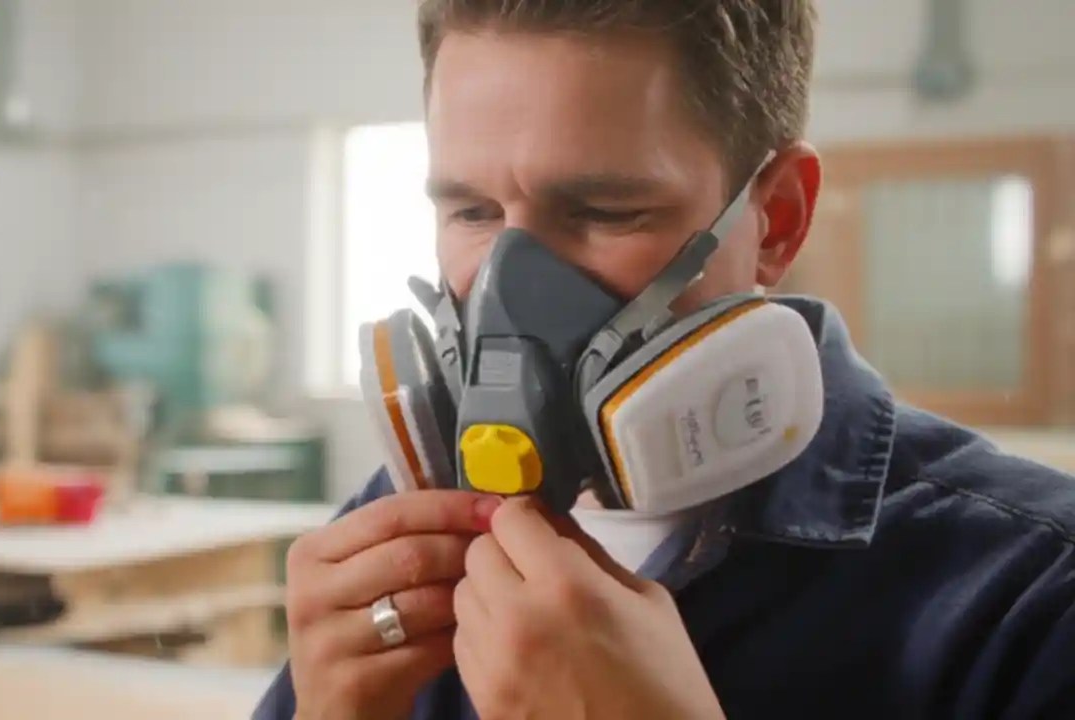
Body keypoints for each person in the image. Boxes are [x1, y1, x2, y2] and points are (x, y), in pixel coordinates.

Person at [256, 1, 1075, 718]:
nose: (508, 284)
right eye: (472, 211)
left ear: (778, 220)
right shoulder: (397, 534)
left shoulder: (1027, 601)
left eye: (604, 210)